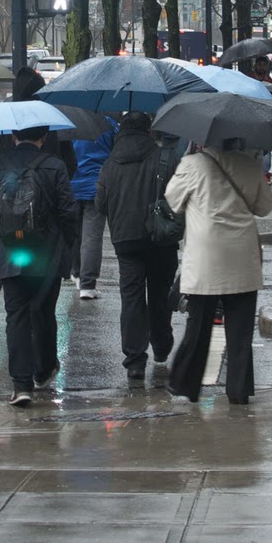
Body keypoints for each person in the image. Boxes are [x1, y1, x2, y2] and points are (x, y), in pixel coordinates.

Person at [164, 139, 272, 405]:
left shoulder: (192, 164)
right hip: (243, 254)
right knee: (240, 329)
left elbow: (173, 200)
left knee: (198, 325)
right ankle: (239, 390)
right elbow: (264, 207)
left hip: (206, 255)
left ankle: (185, 384)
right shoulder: (251, 165)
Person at [0, 125, 78, 406]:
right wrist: (67, 245)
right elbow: (69, 211)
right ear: (44, 137)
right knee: (44, 312)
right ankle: (43, 370)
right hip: (47, 252)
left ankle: (21, 386)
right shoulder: (54, 165)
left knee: (16, 314)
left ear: (13, 136)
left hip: (9, 251)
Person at [94, 112, 181, 383]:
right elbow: (178, 198)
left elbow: (100, 205)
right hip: (160, 239)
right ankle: (162, 345)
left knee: (131, 298)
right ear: (149, 132)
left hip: (125, 240)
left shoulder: (110, 163)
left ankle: (134, 360)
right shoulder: (165, 158)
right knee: (159, 294)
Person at [67, 119, 116, 301]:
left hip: (71, 185)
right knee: (92, 237)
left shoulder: (67, 123)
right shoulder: (108, 125)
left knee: (74, 232)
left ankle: (77, 273)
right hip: (97, 185)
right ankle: (88, 285)